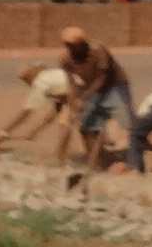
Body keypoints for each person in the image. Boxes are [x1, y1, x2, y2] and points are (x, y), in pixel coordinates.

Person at [56, 26, 132, 188]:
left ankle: (133, 161)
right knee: (86, 125)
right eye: (67, 45)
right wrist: (72, 104)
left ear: (82, 43)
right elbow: (72, 83)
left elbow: (102, 78)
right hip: (90, 89)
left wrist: (84, 98)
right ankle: (95, 163)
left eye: (73, 45)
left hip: (114, 86)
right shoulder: (65, 59)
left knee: (126, 122)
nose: (70, 49)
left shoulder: (98, 50)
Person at [0, 62, 78, 160]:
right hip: (74, 95)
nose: (25, 83)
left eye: (25, 79)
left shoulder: (40, 83)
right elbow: (57, 109)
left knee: (64, 126)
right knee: (65, 124)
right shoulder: (49, 77)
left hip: (80, 93)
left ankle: (61, 160)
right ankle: (62, 157)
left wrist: (4, 132)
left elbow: (26, 113)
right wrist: (36, 131)